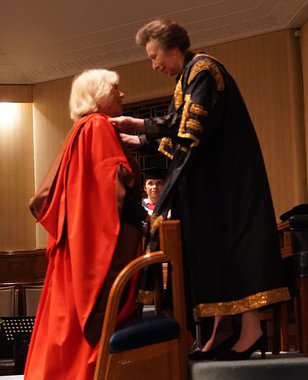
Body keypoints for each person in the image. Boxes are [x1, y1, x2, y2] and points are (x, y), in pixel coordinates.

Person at [110, 19, 290, 360]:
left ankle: (250, 332)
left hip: (229, 182)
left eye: (154, 55)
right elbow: (180, 137)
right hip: (213, 184)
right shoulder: (186, 79)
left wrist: (140, 126)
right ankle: (221, 331)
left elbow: (192, 125)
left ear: (171, 46)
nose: (154, 64)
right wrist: (140, 139)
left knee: (233, 248)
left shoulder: (203, 69)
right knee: (215, 253)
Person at [25, 69, 144, 379]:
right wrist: (145, 219)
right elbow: (111, 189)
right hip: (92, 248)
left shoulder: (81, 129)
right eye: (115, 88)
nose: (122, 94)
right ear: (96, 95)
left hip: (77, 246)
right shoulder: (98, 126)